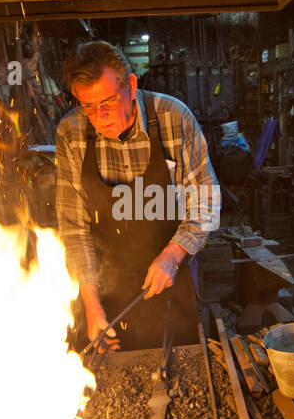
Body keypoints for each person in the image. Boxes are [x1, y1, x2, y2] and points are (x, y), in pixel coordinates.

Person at [56, 41, 220, 352]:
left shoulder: (174, 118)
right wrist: (91, 306)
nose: (99, 116)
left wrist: (172, 255)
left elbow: (205, 204)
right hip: (104, 293)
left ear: (130, 86)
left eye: (107, 102)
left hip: (171, 286)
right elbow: (73, 228)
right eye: (88, 106)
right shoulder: (71, 133)